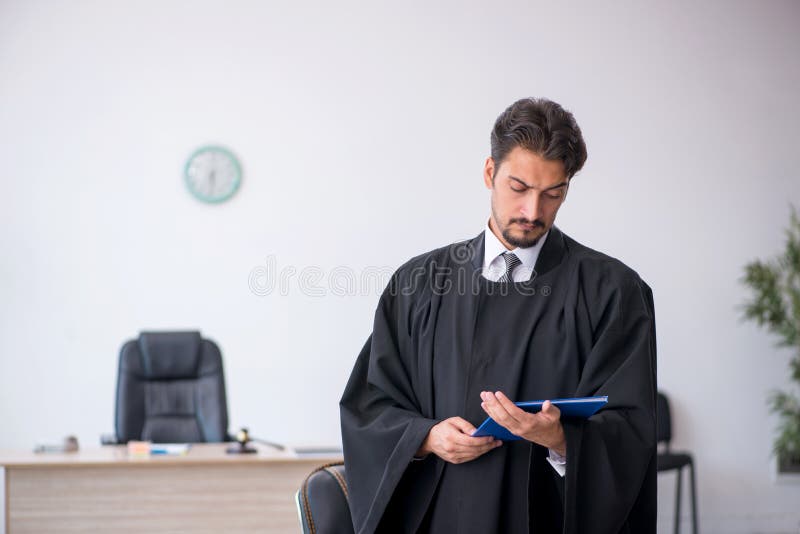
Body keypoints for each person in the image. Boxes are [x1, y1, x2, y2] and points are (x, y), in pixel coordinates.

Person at [340, 97, 657, 534]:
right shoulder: (417, 284)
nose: (532, 212)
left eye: (553, 194)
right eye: (519, 187)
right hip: (441, 515)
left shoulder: (613, 292)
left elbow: (630, 428)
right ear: (490, 172)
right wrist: (426, 437)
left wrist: (561, 439)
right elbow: (371, 406)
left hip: (545, 514)